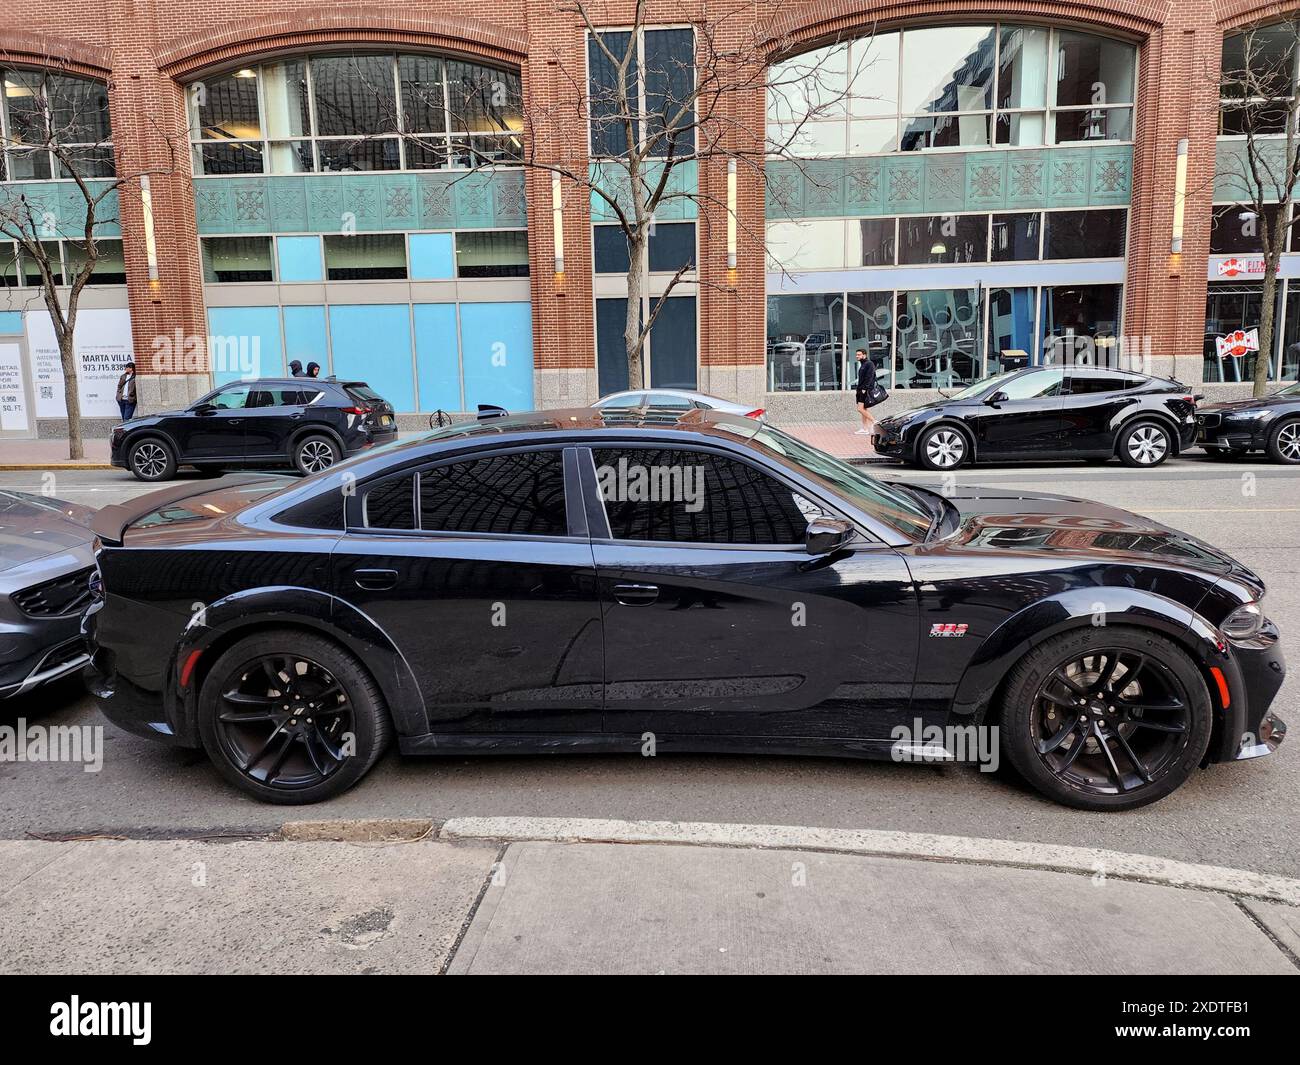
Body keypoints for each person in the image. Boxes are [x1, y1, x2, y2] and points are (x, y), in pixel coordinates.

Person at [853, 347, 878, 436]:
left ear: (864, 355)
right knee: (864, 409)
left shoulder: (869, 364)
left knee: (860, 409)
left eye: (859, 354)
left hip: (865, 390)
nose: (857, 356)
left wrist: (865, 388)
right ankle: (865, 429)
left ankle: (875, 422)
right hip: (861, 389)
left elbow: (870, 377)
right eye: (856, 354)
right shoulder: (863, 364)